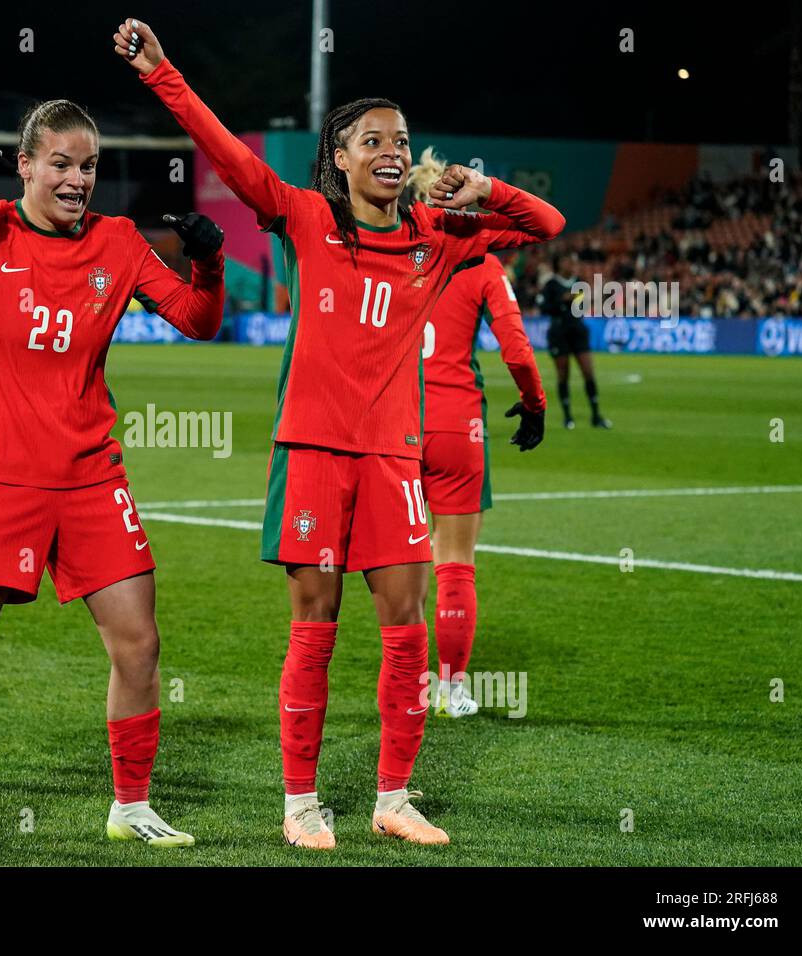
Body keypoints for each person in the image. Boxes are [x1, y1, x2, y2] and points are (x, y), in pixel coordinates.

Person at [117, 17, 564, 849]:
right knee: (314, 630)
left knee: (407, 629)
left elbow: (548, 222)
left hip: (396, 458)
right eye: (372, 140)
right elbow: (228, 156)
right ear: (342, 158)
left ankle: (393, 798)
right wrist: (162, 72)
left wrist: (485, 191)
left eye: (401, 139)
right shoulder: (304, 217)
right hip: (315, 455)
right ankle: (299, 803)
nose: (392, 151)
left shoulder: (438, 237)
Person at [0, 97, 226, 852]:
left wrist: (210, 262)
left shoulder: (120, 242)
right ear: (24, 165)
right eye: (60, 163)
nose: (76, 179)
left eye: (88, 166)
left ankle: (130, 806)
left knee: (140, 643)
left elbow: (196, 318)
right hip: (0, 479)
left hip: (93, 477)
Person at [409, 146, 549, 718]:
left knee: (401, 563)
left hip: (392, 423)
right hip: (454, 424)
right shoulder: (482, 264)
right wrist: (534, 403)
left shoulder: (395, 254)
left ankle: (403, 685)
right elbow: (514, 346)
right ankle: (450, 690)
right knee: (455, 562)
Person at [540, 254, 610, 429]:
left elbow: (584, 304)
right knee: (563, 374)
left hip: (578, 330)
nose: (571, 264)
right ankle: (567, 416)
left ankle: (596, 415)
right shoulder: (551, 285)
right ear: (559, 264)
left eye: (573, 261)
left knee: (588, 372)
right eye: (567, 261)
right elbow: (543, 308)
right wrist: (561, 301)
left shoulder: (579, 282)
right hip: (559, 332)